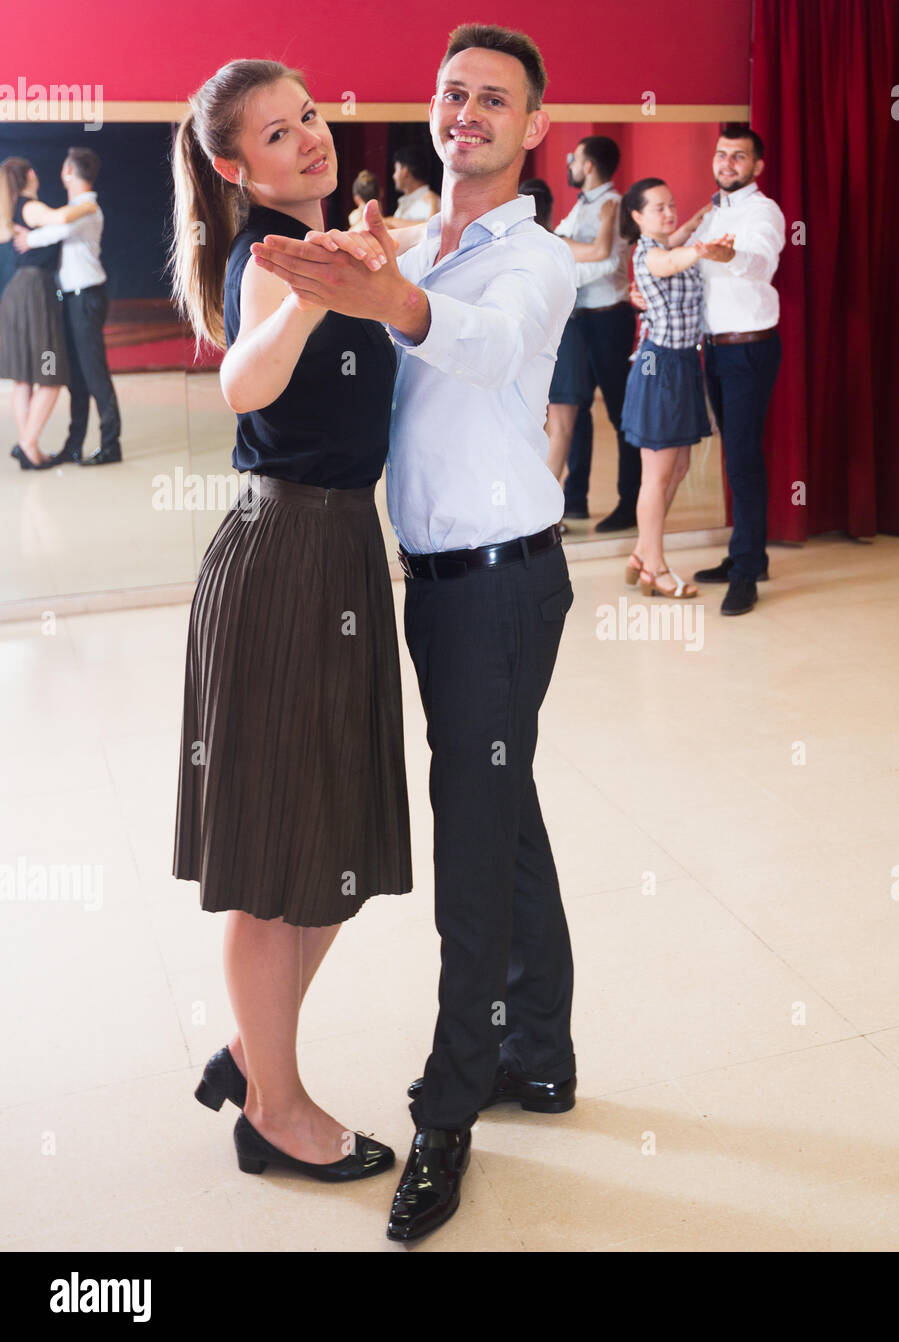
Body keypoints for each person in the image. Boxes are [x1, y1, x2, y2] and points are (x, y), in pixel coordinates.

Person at [251, 23, 579, 1244]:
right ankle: (539, 1049)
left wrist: (386, 296)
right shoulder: (414, 234)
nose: (467, 113)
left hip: (500, 585)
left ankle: (449, 1106)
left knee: (472, 841)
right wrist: (372, 275)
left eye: (494, 99)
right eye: (452, 93)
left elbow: (487, 346)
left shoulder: (534, 257)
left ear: (533, 127)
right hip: (437, 583)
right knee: (505, 809)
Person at [169, 59, 412, 1185]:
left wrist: (371, 275)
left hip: (341, 547)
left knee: (335, 852)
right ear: (236, 168)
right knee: (279, 861)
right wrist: (316, 293)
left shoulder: (327, 246)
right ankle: (276, 1108)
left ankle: (246, 1052)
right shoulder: (267, 259)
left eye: (309, 114)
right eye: (277, 133)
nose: (310, 137)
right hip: (285, 557)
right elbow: (244, 385)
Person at [673, 126, 785, 617]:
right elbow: (684, 259)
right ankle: (749, 555)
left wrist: (730, 254)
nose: (727, 163)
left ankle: (745, 574)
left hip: (749, 350)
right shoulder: (713, 211)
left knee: (742, 459)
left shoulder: (764, 211)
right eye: (722, 155)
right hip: (715, 350)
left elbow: (761, 263)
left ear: (757, 166)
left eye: (739, 156)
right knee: (735, 457)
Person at [619, 177, 729, 597]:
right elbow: (670, 262)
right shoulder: (649, 254)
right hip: (659, 367)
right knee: (657, 475)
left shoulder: (668, 243)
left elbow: (685, 233)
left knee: (678, 468)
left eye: (671, 204)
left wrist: (709, 209)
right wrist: (704, 248)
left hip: (683, 364)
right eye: (658, 207)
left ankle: (641, 552)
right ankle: (654, 567)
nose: (669, 213)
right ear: (637, 216)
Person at [548, 136, 640, 531]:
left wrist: (565, 269)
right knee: (578, 409)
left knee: (620, 413)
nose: (569, 162)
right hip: (580, 320)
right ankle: (575, 500)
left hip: (609, 318)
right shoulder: (582, 206)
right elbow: (557, 243)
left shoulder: (614, 205)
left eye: (575, 157)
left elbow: (607, 262)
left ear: (588, 166)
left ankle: (629, 503)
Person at [12, 146, 124, 466]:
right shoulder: (76, 206)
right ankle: (74, 445)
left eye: (64, 166)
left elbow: (58, 230)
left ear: (69, 172)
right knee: (76, 375)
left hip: (86, 296)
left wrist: (28, 239)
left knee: (94, 372)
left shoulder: (86, 207)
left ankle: (110, 444)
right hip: (73, 298)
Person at [0, 158, 96, 469]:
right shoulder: (30, 207)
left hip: (19, 294)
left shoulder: (14, 209)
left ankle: (27, 446)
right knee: (50, 374)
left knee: (24, 379)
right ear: (30, 174)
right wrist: (88, 204)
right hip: (35, 295)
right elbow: (61, 217)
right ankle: (28, 445)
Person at [385, 143, 438, 225]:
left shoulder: (429, 201)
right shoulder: (408, 201)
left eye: (396, 170)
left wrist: (389, 222)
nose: (394, 176)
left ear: (405, 171)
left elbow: (429, 228)